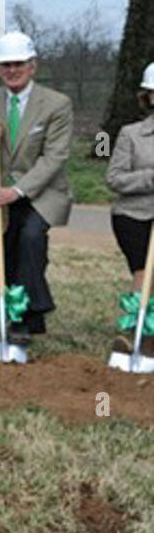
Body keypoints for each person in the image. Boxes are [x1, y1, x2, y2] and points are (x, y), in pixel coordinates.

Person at [0, 31, 73, 344]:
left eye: (18, 64)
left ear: (32, 66)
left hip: (43, 192)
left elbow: (55, 157)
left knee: (30, 237)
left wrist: (18, 191)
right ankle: (19, 319)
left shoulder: (57, 104)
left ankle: (31, 312)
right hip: (0, 190)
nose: (11, 70)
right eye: (5, 65)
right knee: (11, 249)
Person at [106, 61, 154, 353]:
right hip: (134, 217)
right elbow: (114, 179)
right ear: (148, 96)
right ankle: (133, 333)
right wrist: (150, 177)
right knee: (145, 272)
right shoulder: (131, 134)